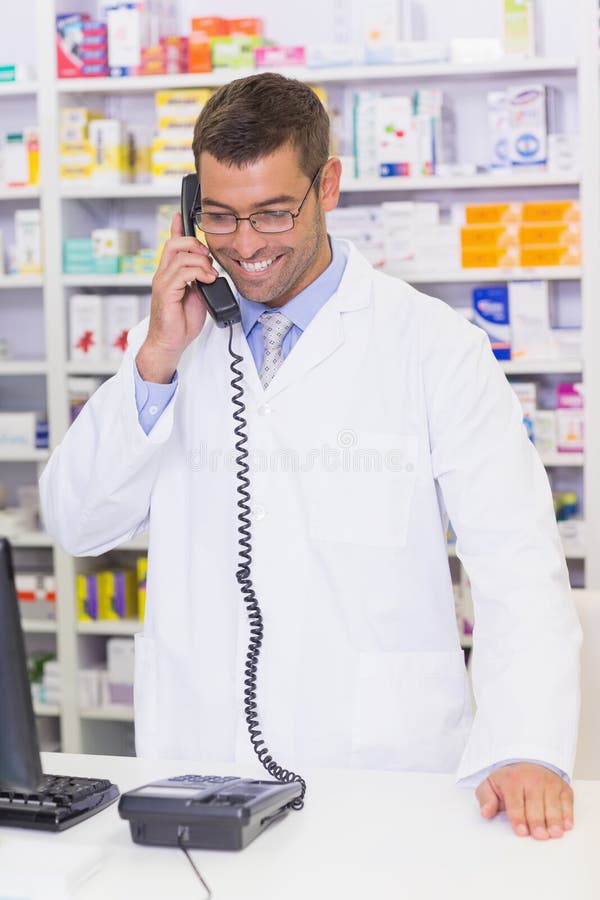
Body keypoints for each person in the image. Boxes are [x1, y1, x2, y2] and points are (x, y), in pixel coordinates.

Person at [39, 73, 581, 841]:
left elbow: (516, 559)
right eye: (219, 216)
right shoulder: (169, 342)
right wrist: (156, 360)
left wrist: (525, 746)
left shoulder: (433, 345)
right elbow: (76, 522)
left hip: (381, 773)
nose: (245, 244)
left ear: (327, 185)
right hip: (198, 762)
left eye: (272, 213)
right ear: (191, 207)